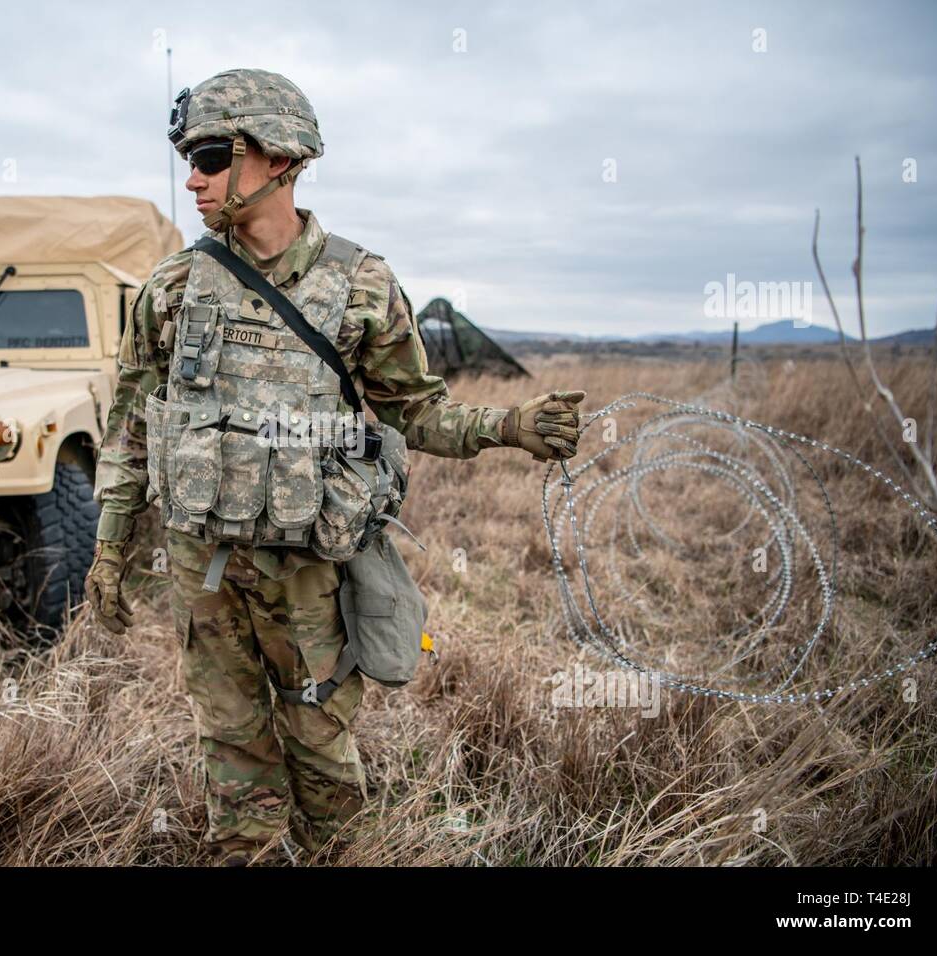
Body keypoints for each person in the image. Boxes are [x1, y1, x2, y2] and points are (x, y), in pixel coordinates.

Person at [86, 67, 586, 866]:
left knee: (318, 736)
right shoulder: (174, 287)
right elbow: (131, 426)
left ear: (279, 158)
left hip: (308, 566)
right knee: (227, 735)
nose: (194, 178)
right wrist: (110, 548)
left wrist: (509, 425)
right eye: (190, 158)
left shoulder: (359, 285)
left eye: (214, 155)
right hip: (202, 569)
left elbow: (415, 410)